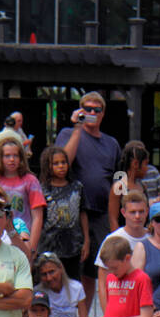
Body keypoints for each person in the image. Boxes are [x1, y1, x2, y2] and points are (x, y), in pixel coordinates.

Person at [55, 92, 121, 289]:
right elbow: (63, 162)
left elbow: (120, 178)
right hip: (74, 212)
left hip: (102, 213)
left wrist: (117, 216)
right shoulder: (68, 134)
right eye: (88, 109)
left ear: (103, 113)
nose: (92, 113)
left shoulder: (112, 143)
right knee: (73, 266)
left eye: (96, 110)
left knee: (99, 267)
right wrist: (77, 127)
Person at [35, 145, 86, 284]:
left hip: (73, 245)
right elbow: (38, 218)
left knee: (73, 283)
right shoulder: (42, 189)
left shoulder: (77, 187)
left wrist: (86, 240)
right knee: (48, 283)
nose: (61, 166)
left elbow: (82, 213)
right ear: (47, 166)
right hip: (49, 246)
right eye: (56, 163)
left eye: (63, 162)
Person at [0, 139, 44, 258]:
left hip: (23, 240)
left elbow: (37, 217)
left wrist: (32, 249)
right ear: (0, 158)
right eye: (7, 156)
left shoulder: (30, 181)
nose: (12, 159)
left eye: (15, 155)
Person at [108, 140, 159, 229]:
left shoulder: (142, 186)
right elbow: (113, 220)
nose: (147, 169)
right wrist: (117, 241)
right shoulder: (119, 187)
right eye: (145, 164)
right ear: (135, 164)